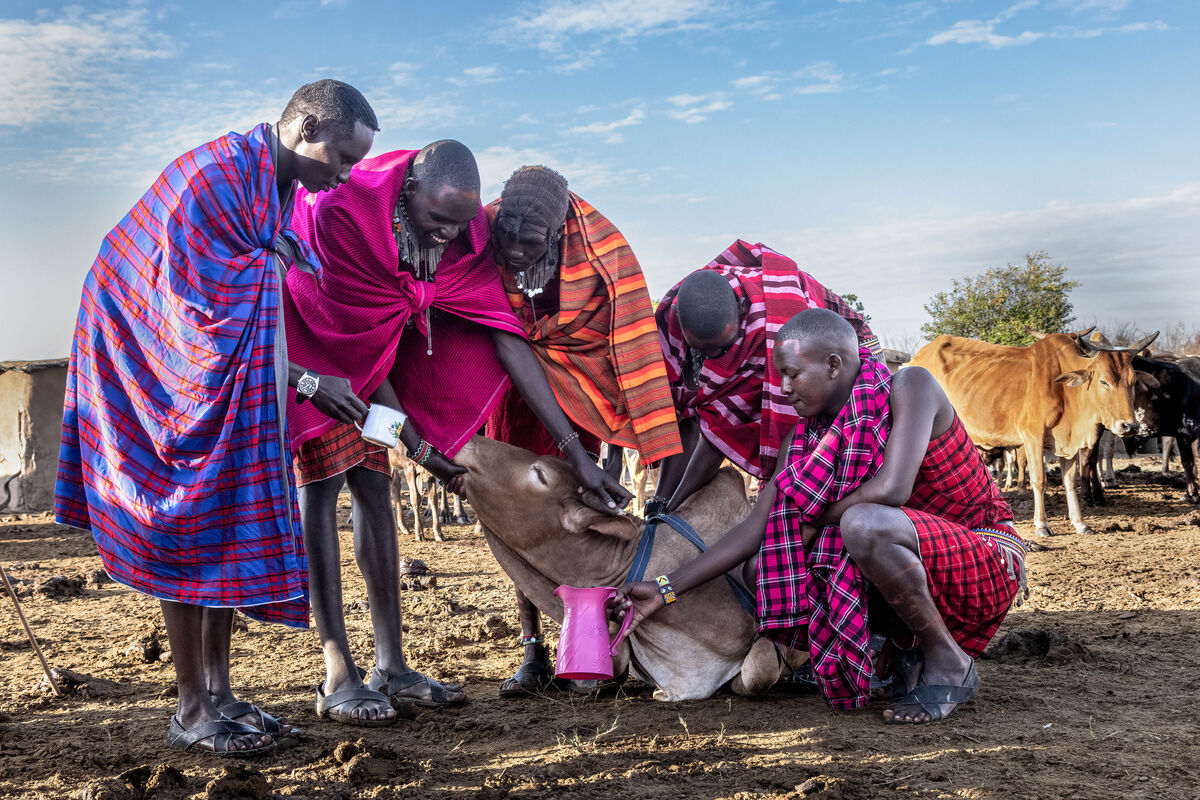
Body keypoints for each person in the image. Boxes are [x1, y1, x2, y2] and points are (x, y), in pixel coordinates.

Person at [55, 79, 378, 755]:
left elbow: (245, 302)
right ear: (308, 125)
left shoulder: (273, 189)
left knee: (224, 508)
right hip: (145, 356)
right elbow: (198, 325)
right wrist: (308, 380)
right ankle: (191, 709)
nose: (346, 177)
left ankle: (223, 695)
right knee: (187, 513)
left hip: (211, 367)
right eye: (343, 159)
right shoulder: (215, 180)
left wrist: (276, 268)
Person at [282, 144, 629, 725]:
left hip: (379, 366)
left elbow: (504, 335)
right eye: (437, 221)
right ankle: (337, 670)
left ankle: (390, 663)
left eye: (460, 225)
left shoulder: (463, 244)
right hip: (317, 349)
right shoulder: (345, 216)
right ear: (410, 192)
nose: (447, 236)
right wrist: (417, 444)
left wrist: (575, 452)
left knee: (371, 485)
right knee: (320, 489)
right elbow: (354, 338)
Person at [613, 308, 1028, 724]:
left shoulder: (910, 386)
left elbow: (892, 489)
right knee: (766, 566)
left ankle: (948, 661)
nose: (785, 387)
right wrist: (664, 588)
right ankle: (899, 654)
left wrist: (811, 520)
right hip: (915, 560)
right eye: (781, 376)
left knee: (862, 524)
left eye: (792, 373)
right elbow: (759, 525)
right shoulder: (804, 437)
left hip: (985, 557)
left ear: (833, 365)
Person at [483, 166, 678, 698]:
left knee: (577, 519)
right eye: (508, 237)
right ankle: (531, 649)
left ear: (559, 231)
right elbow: (501, 335)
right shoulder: (481, 234)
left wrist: (596, 451)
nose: (516, 251)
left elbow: (623, 343)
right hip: (508, 388)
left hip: (580, 398)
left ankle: (587, 639)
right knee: (510, 514)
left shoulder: (604, 254)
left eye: (530, 242)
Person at [649, 242, 881, 517]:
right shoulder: (672, 321)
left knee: (796, 495)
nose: (716, 358)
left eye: (723, 348)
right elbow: (683, 410)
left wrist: (675, 505)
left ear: (741, 307)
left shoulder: (771, 329)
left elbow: (721, 429)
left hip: (845, 362)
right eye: (703, 350)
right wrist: (660, 501)